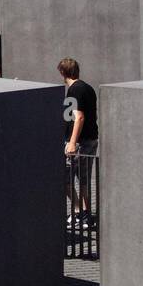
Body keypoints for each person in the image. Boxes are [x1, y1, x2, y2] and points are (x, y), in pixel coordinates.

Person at [58, 57, 98, 230]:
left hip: (78, 142)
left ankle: (78, 212)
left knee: (64, 178)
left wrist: (72, 142)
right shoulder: (88, 88)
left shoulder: (74, 90)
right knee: (83, 180)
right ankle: (84, 215)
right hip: (90, 139)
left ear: (62, 72)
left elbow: (78, 117)